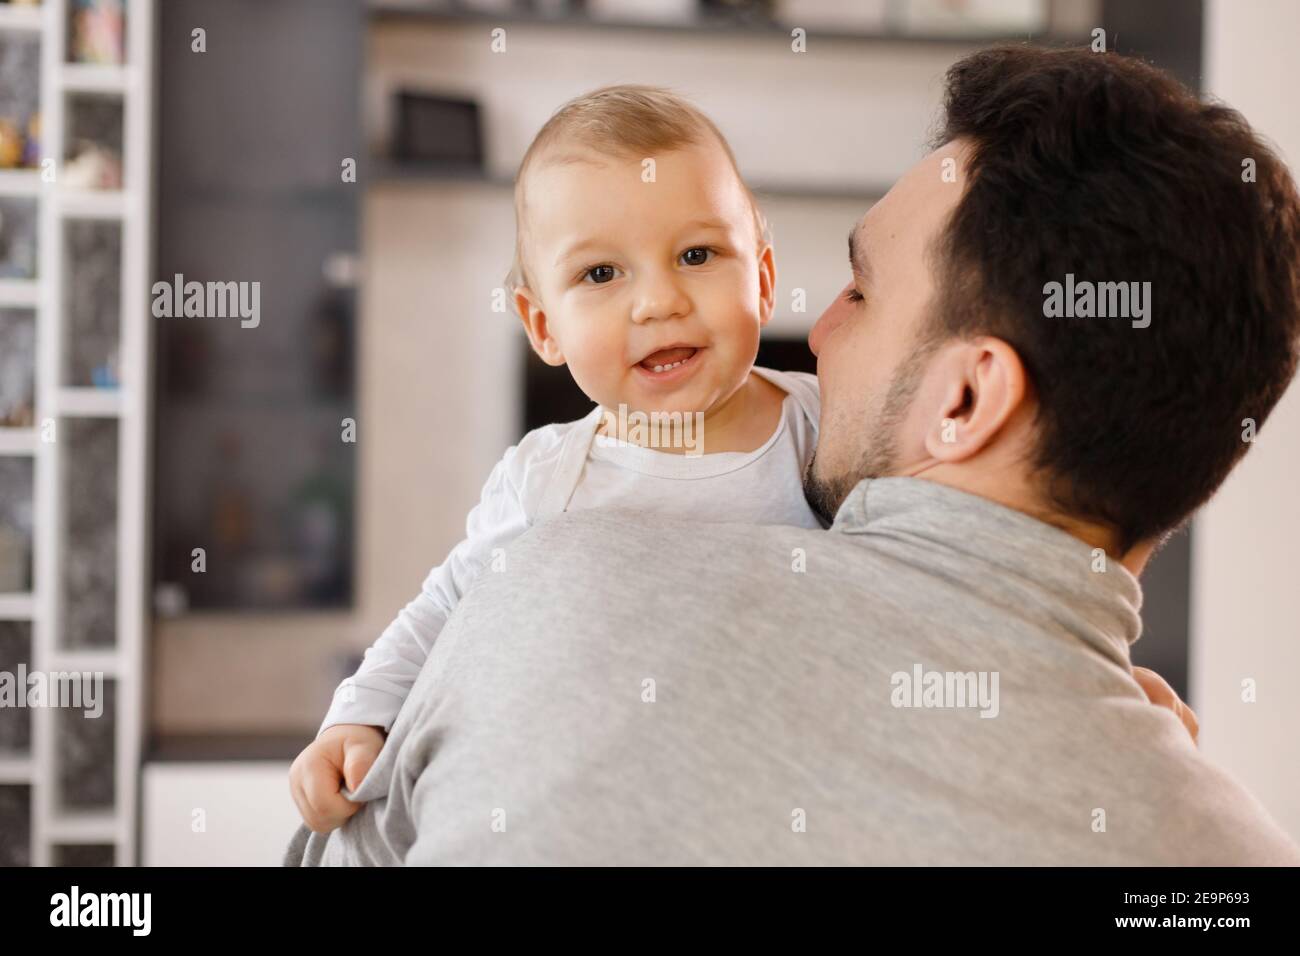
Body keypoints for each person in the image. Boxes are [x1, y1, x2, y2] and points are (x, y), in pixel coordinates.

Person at [289, 44, 1297, 864]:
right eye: (600, 272)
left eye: (857, 293)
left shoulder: (554, 593)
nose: (814, 336)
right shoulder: (1220, 843)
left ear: (962, 396)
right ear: (539, 320)